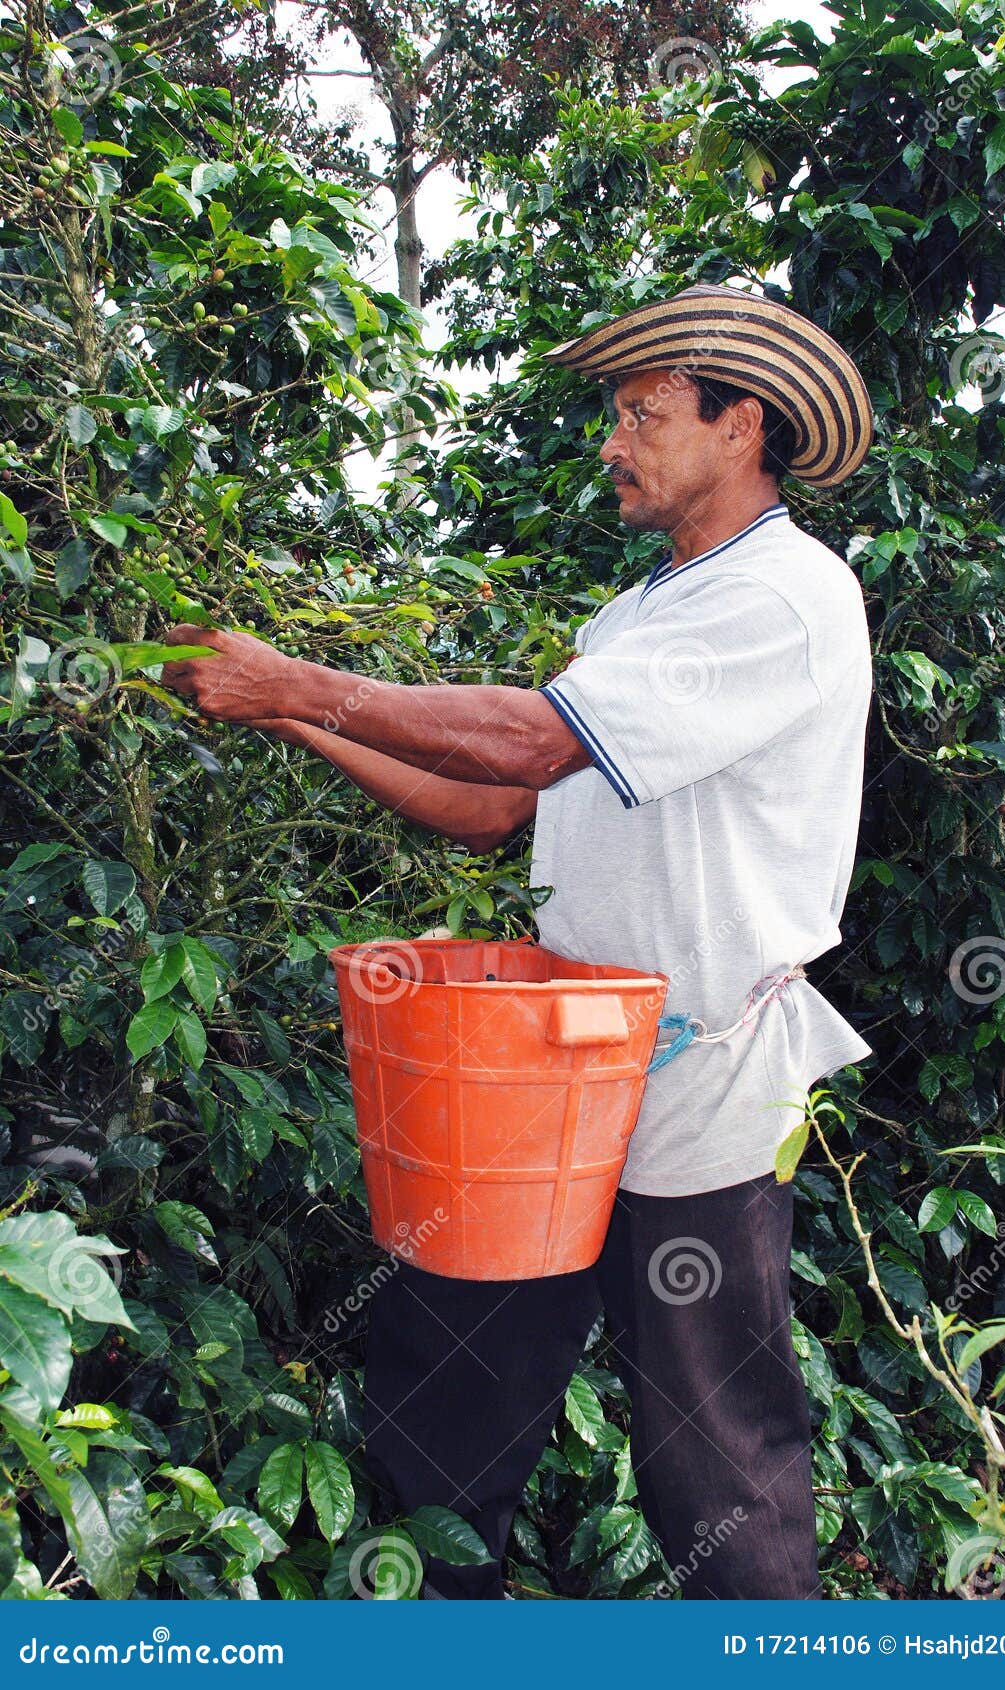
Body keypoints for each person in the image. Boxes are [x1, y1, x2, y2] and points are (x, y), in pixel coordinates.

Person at [161, 282, 875, 1600]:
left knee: (713, 1447)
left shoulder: (784, 596)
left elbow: (531, 739)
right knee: (452, 1388)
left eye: (643, 414)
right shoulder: (639, 614)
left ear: (743, 426)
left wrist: (298, 676)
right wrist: (283, 715)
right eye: (616, 414)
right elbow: (497, 802)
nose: (613, 442)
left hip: (699, 1087)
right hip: (553, 1072)